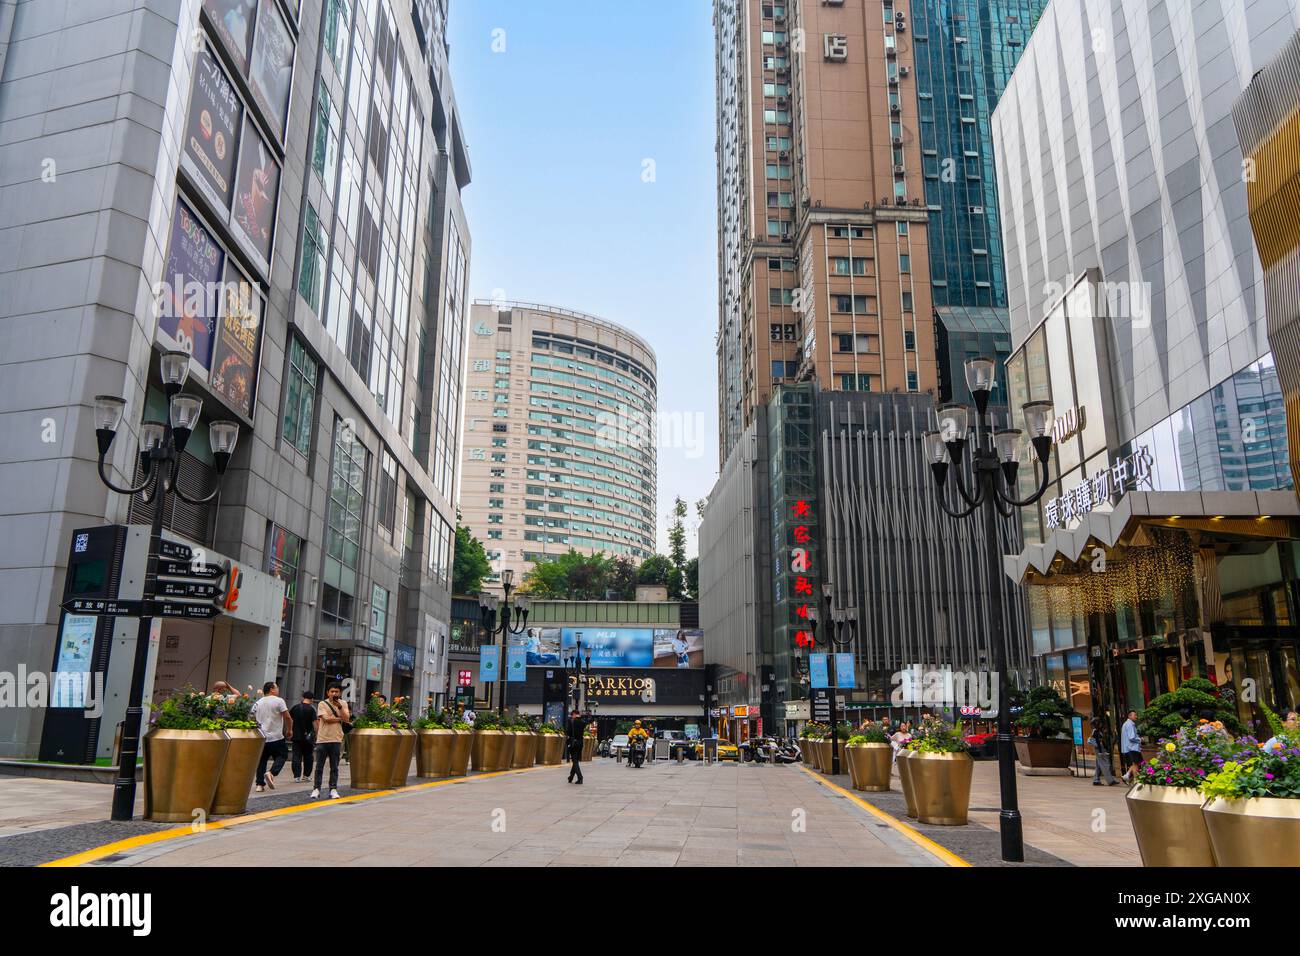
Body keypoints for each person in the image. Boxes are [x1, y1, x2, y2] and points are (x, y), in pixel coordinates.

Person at [312, 682, 351, 799]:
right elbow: (326, 719)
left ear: (340, 693)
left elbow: (347, 718)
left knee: (334, 766)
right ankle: (316, 788)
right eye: (332, 691)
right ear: (327, 693)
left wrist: (339, 708)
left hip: (337, 738)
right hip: (323, 739)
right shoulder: (322, 704)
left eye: (337, 691)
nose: (334, 693)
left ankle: (333, 789)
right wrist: (340, 719)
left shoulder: (343, 704)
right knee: (319, 766)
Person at [252, 681, 291, 792]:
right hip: (276, 736)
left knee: (262, 760)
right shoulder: (279, 701)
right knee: (282, 755)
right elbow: (287, 717)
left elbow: (251, 717)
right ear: (271, 689)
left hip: (262, 736)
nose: (278, 689)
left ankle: (259, 785)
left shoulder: (258, 702)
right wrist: (289, 730)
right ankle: (272, 772)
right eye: (277, 687)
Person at [288, 691, 317, 781]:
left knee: (296, 756)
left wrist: (289, 730)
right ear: (312, 699)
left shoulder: (295, 708)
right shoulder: (311, 709)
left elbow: (290, 719)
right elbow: (315, 724)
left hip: (296, 736)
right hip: (308, 737)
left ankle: (297, 776)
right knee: (308, 756)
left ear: (303, 697)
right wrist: (317, 734)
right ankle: (306, 775)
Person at [1088, 715, 1120, 786]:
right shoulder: (1095, 731)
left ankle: (1096, 780)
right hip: (1099, 750)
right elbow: (1093, 741)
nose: (1101, 724)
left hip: (1099, 749)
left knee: (1099, 764)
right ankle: (1110, 780)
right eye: (1099, 723)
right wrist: (1100, 749)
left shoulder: (1097, 731)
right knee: (1105, 764)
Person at [565, 709, 593, 784]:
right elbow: (590, 720)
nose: (571, 716)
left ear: (574, 714)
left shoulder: (571, 721)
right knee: (576, 760)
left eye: (572, 715)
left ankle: (580, 777)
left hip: (573, 743)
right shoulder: (582, 722)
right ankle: (570, 777)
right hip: (580, 743)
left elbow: (568, 732)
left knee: (575, 761)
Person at [1120, 710, 1143, 782]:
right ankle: (1137, 780)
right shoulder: (1130, 724)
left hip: (1129, 748)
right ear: (1129, 716)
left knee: (1136, 763)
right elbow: (1132, 737)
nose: (1136, 716)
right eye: (1134, 715)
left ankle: (1127, 775)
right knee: (1136, 764)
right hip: (1132, 747)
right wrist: (1140, 739)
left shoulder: (1127, 724)